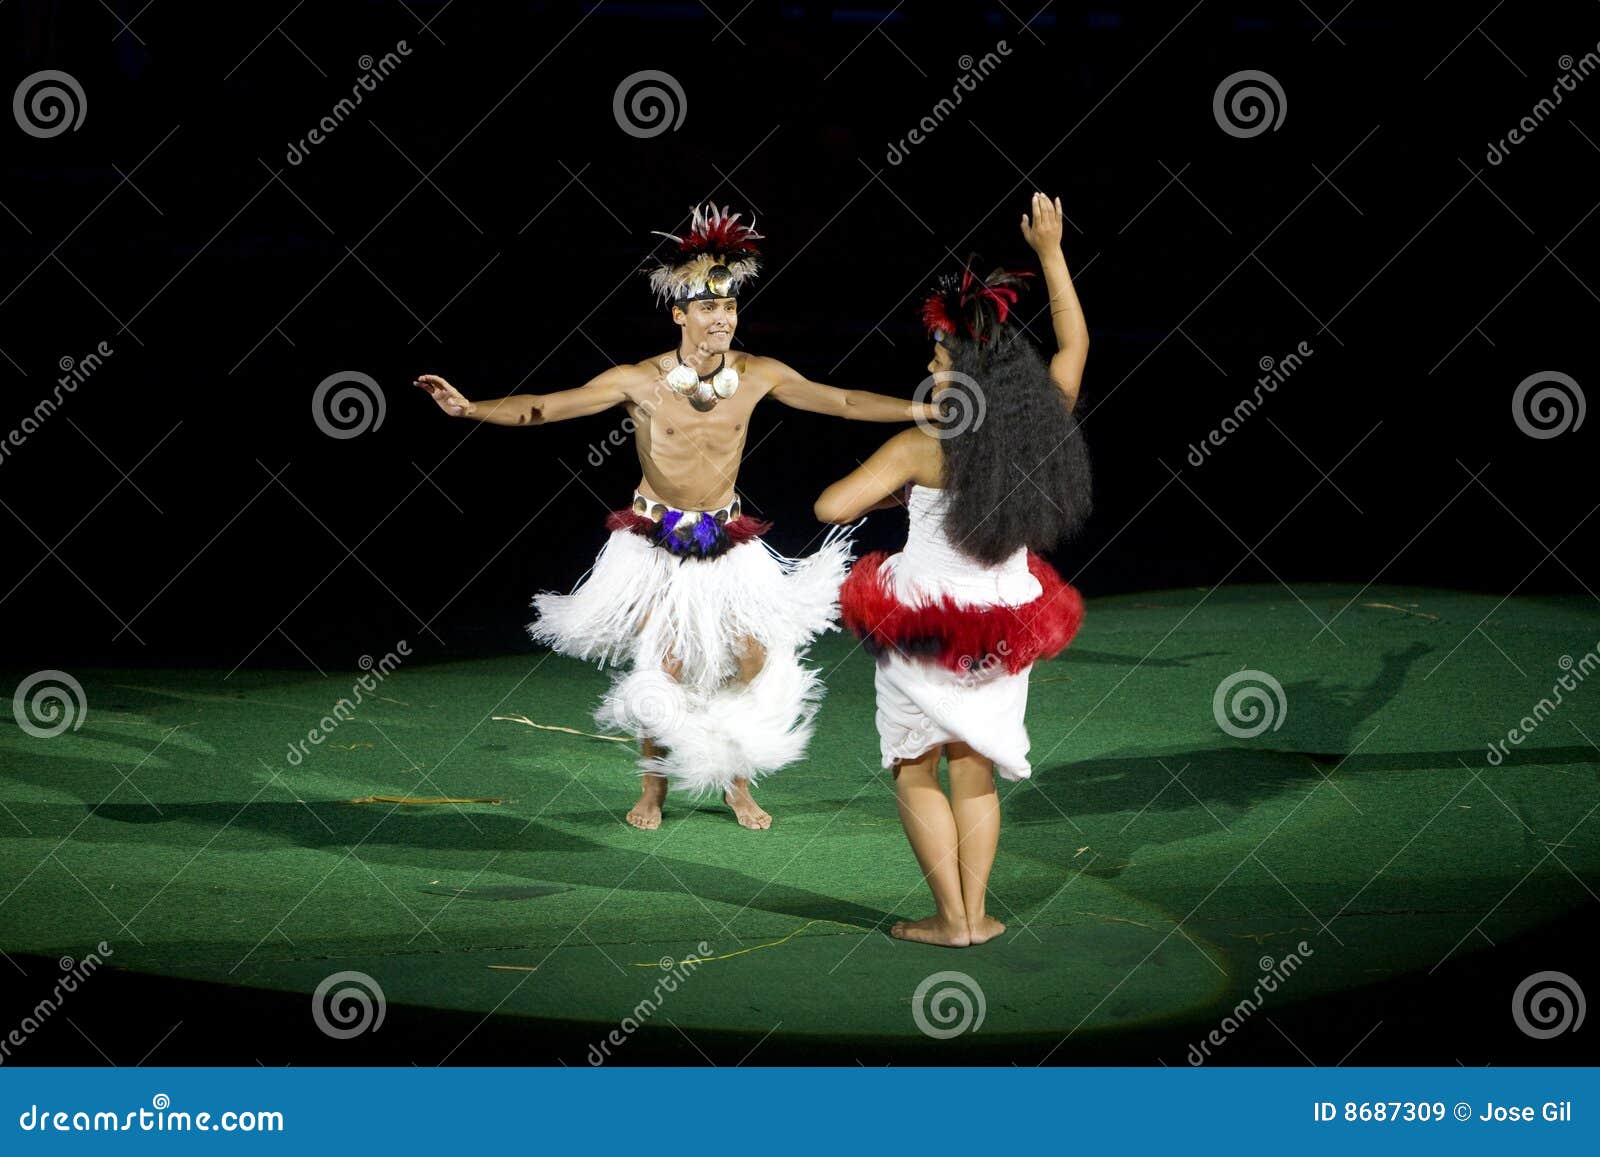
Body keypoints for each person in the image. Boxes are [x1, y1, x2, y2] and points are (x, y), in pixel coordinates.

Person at [416, 205, 938, 831]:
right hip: (654, 541)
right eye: (710, 308)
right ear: (680, 314)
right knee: (664, 667)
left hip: (728, 538)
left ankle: (736, 784)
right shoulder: (640, 380)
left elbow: (845, 401)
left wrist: (918, 412)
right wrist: (471, 408)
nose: (724, 318)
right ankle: (653, 789)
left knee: (747, 659)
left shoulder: (757, 375)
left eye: (731, 307)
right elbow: (547, 408)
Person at [814, 192, 1093, 945]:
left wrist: (903, 468)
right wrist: (1051, 253)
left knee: (915, 765)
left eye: (938, 362)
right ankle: (976, 916)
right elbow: (1072, 347)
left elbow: (831, 507)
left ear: (965, 370)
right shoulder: (1039, 427)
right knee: (975, 764)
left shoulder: (923, 445)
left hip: (924, 628)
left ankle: (950, 919)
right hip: (1006, 620)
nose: (930, 372)